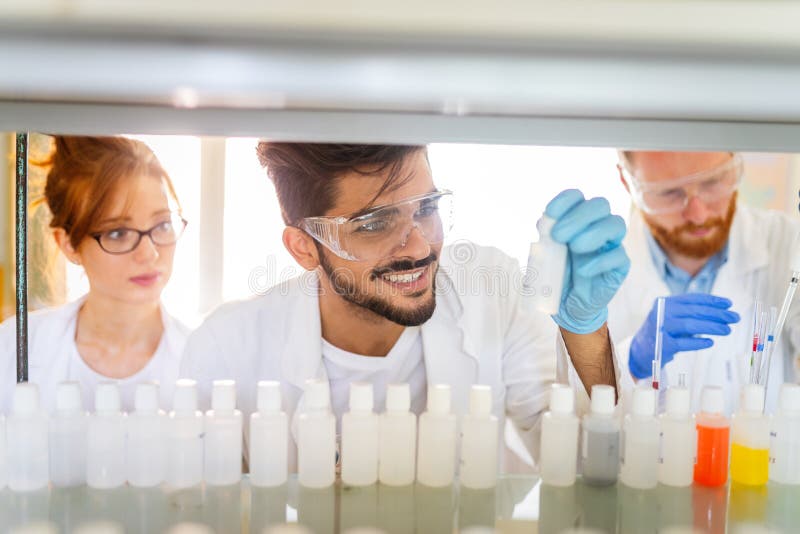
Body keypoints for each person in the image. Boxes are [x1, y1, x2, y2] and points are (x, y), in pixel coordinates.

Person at [180, 143, 630, 470]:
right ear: (304, 247)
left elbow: (586, 465)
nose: (418, 246)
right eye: (375, 223)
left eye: (426, 208)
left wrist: (584, 330)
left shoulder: (489, 293)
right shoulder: (225, 349)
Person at [0, 135, 190, 412]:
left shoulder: (200, 356)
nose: (149, 253)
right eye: (118, 233)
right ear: (68, 245)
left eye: (162, 225)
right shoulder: (15, 350)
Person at [609, 150, 800, 414]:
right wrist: (627, 364)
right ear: (626, 181)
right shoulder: (596, 276)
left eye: (713, 183)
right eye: (669, 193)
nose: (697, 214)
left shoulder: (786, 244)